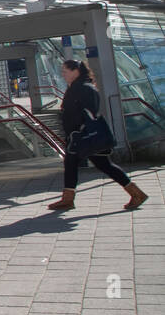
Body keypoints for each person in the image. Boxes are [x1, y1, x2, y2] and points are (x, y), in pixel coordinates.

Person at [49, 59, 148, 211]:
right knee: (86, 164)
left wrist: (78, 126)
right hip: (83, 135)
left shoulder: (83, 87)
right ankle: (136, 193)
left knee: (86, 164)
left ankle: (68, 199)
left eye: (65, 71)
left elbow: (88, 111)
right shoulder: (79, 86)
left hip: (84, 135)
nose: (63, 75)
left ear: (76, 71)